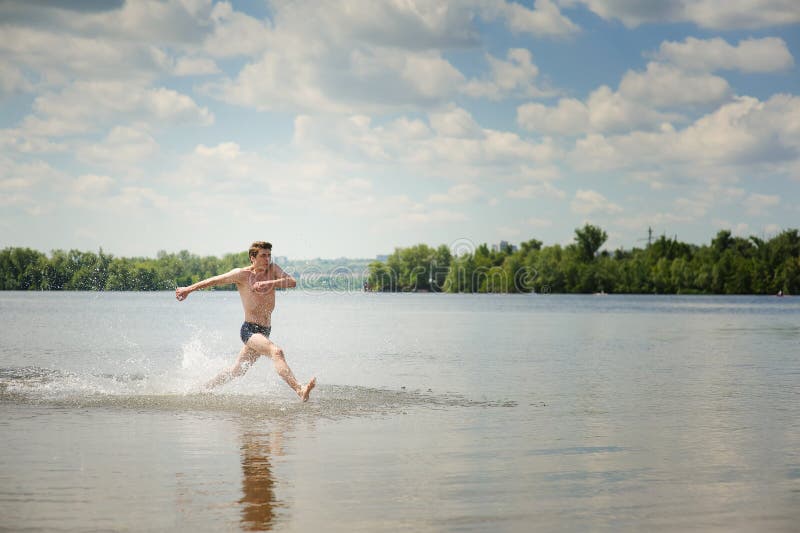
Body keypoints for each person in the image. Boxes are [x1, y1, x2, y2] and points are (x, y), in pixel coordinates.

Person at [175, 241, 316, 401]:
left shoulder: (273, 270)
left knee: (236, 371)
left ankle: (202, 390)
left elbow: (292, 282)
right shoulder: (242, 275)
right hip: (250, 330)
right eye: (263, 255)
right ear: (252, 258)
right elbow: (213, 280)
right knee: (276, 352)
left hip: (265, 330)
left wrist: (269, 282)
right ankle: (299, 389)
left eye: (269, 255)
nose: (267, 259)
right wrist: (188, 289)